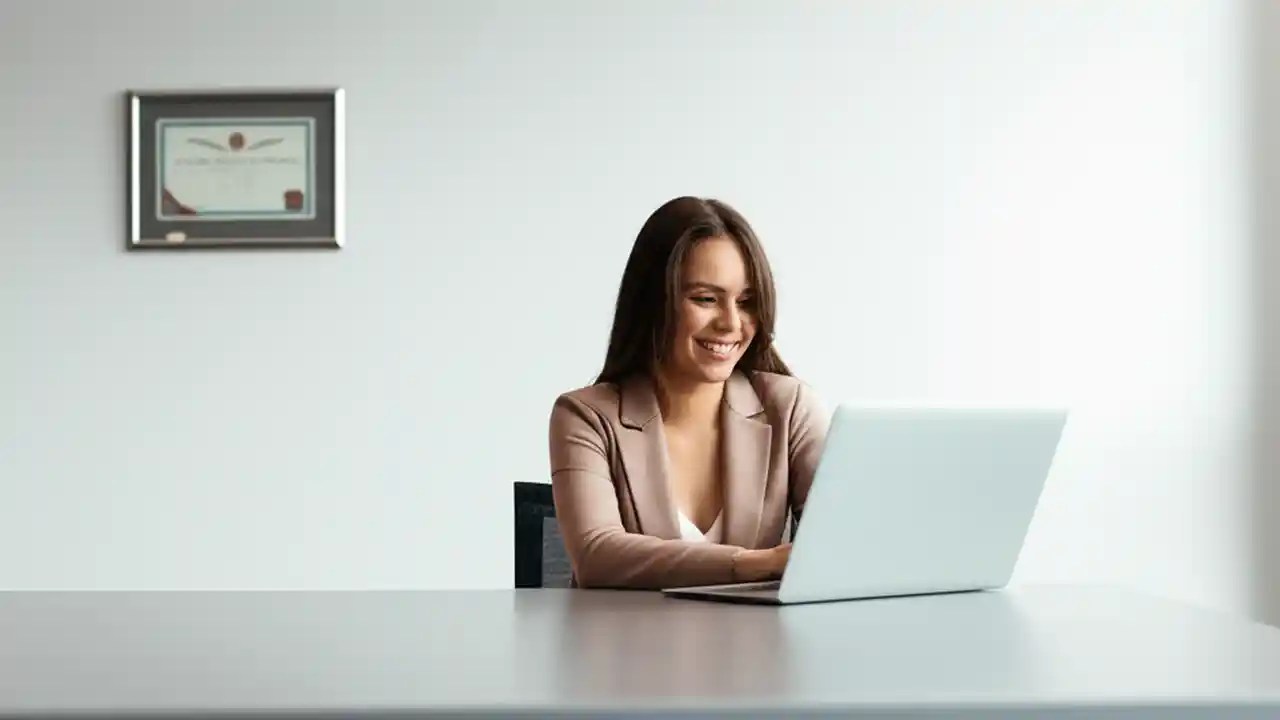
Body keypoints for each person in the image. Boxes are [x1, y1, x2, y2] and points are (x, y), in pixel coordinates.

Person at [547, 196, 830, 590]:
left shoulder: (790, 408)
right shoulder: (585, 416)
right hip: (627, 633)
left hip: (757, 633)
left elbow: (846, 538)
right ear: (654, 302)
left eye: (746, 302)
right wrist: (753, 563)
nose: (731, 323)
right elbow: (597, 555)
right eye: (706, 299)